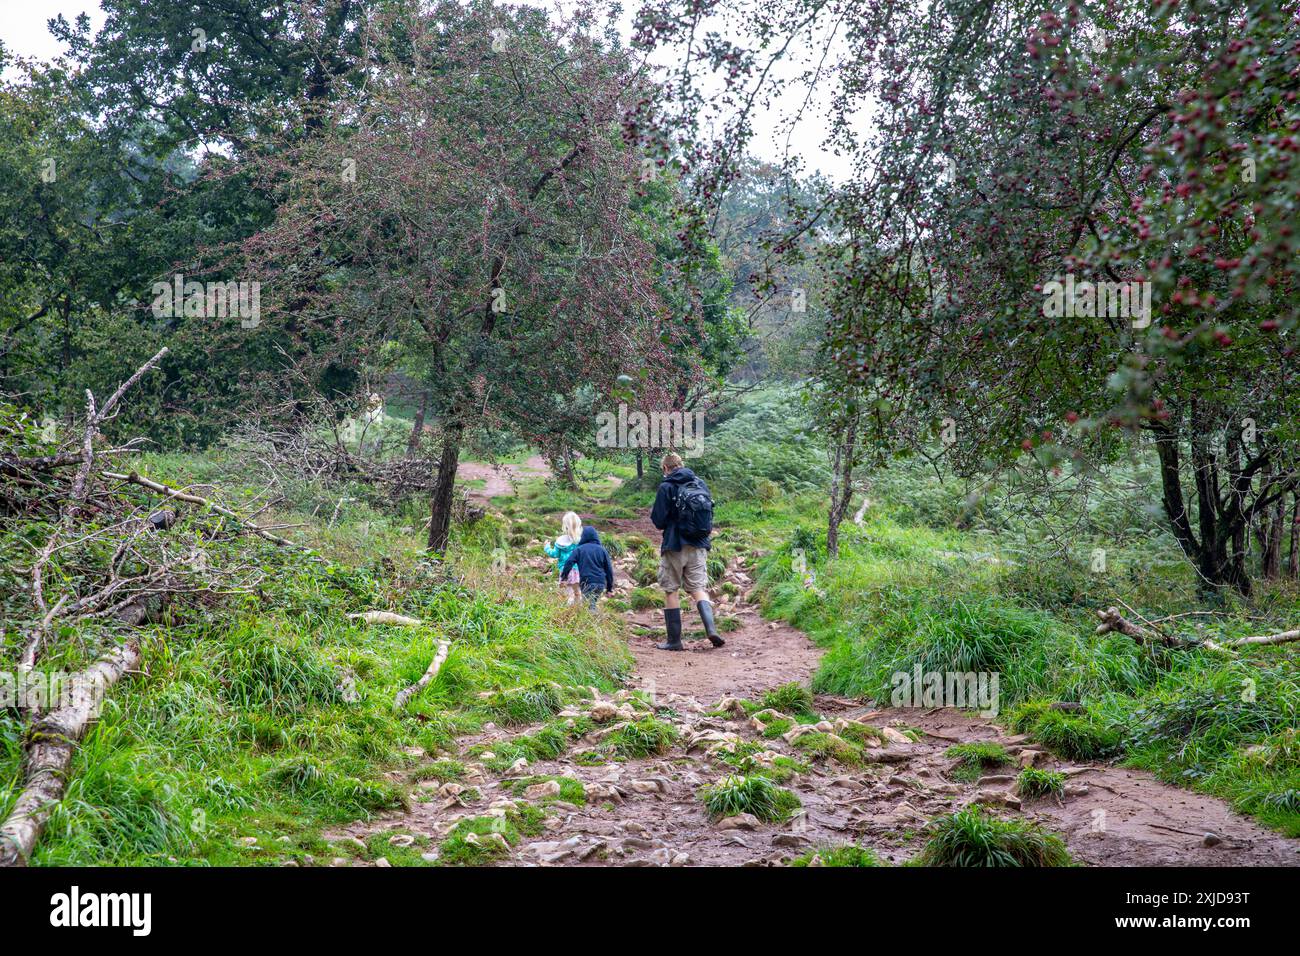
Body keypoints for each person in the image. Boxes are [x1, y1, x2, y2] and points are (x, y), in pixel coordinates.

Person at [650, 452, 724, 651]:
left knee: (671, 589)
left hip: (674, 544)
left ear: (665, 468)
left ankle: (674, 641)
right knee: (697, 587)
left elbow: (658, 521)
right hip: (699, 543)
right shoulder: (699, 483)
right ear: (681, 464)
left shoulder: (666, 487)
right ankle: (711, 629)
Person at [560, 525, 616, 610]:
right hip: (600, 583)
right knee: (592, 603)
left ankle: (594, 621)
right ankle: (596, 620)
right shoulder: (602, 550)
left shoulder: (579, 549)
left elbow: (569, 562)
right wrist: (609, 588)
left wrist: (564, 577)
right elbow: (609, 569)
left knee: (589, 607)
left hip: (587, 582)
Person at [543, 511, 583, 604]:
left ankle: (566, 612)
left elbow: (554, 554)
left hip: (565, 571)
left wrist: (547, 547)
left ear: (565, 526)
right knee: (578, 593)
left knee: (566, 594)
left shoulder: (560, 541)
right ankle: (577, 611)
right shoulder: (580, 541)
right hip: (577, 571)